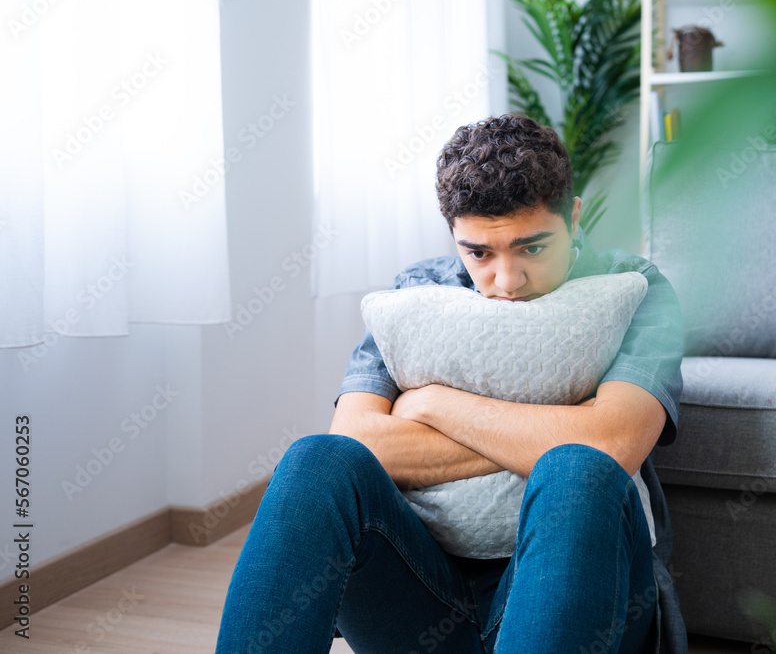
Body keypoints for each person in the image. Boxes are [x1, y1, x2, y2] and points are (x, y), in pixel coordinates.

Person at [215, 114, 687, 654]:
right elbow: (361, 441)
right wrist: (562, 418)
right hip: (425, 601)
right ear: (454, 236)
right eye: (480, 253)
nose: (507, 282)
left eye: (532, 247)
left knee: (577, 468)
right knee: (315, 461)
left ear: (573, 218)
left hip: (585, 605)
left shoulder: (634, 289)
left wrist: (433, 403)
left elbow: (609, 444)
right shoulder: (420, 293)